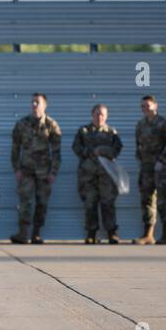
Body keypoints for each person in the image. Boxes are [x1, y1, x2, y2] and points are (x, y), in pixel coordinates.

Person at [9, 92, 61, 244]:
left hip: (44, 172)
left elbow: (57, 152)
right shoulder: (22, 124)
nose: (34, 105)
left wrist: (53, 172)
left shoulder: (51, 125)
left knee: (42, 202)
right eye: (32, 102)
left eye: (37, 102)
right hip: (26, 170)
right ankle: (23, 233)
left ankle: (36, 234)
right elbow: (15, 149)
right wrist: (16, 169)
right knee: (25, 201)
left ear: (45, 105)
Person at [72, 103, 123, 245]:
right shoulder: (83, 131)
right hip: (87, 175)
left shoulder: (112, 132)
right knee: (90, 204)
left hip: (106, 176)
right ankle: (91, 234)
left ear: (106, 116)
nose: (99, 117)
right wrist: (90, 152)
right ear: (92, 115)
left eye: (102, 114)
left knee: (108, 203)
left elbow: (117, 149)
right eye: (97, 114)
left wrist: (102, 150)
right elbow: (76, 148)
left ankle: (112, 233)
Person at [134, 95, 166, 245]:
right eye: (143, 106)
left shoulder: (164, 124)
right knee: (146, 200)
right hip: (146, 168)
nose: (145, 108)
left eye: (148, 105)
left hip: (162, 169)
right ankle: (148, 235)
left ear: (155, 106)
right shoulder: (140, 125)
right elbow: (138, 145)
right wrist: (141, 161)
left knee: (163, 201)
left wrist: (162, 161)